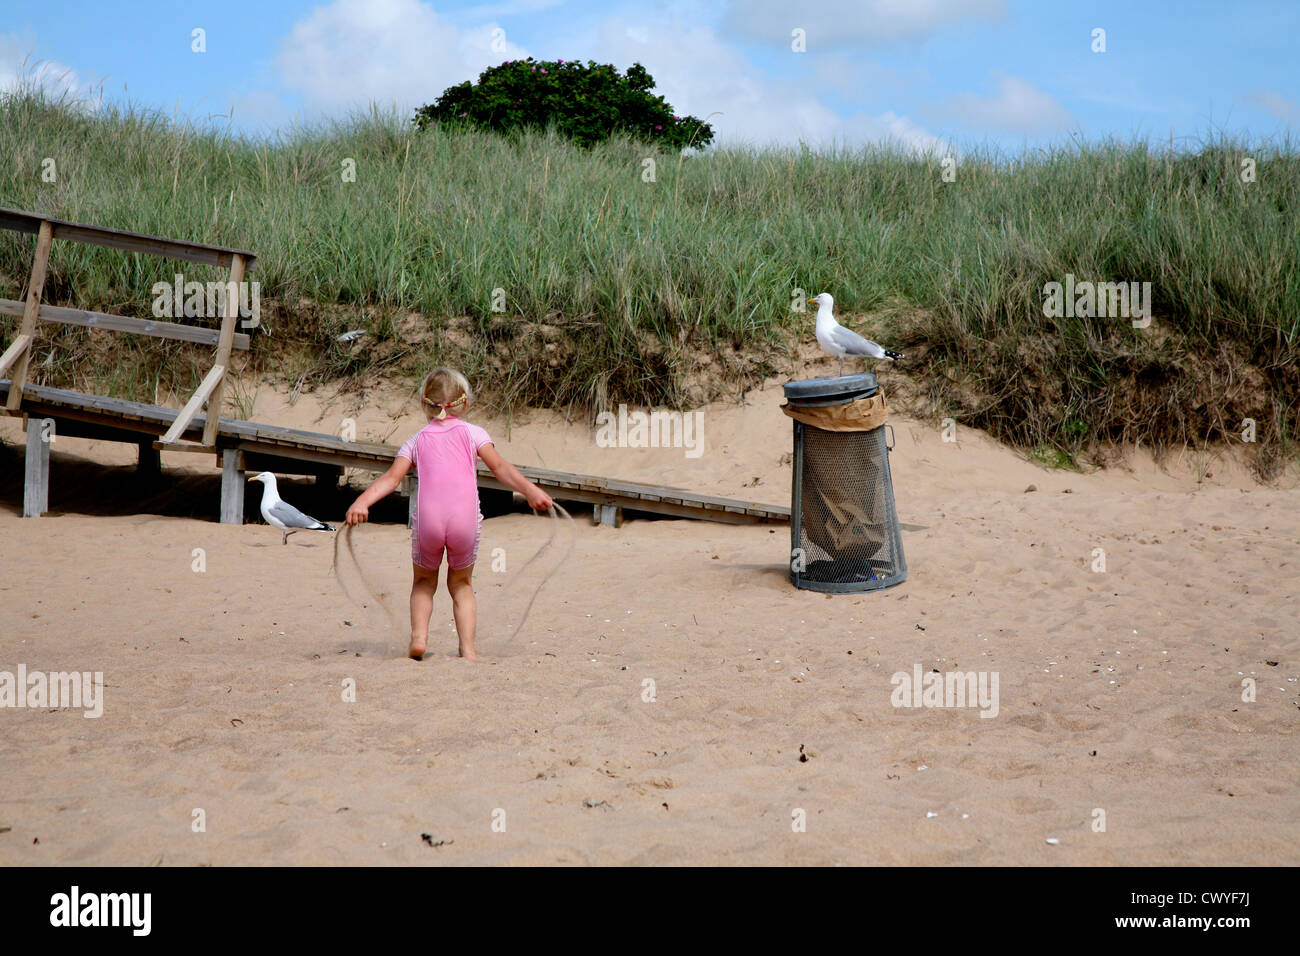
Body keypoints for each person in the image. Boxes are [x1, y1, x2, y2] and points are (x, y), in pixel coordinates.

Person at [345, 367, 553, 661]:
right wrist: (531, 491)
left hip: (428, 521)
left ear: (423, 405)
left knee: (423, 583)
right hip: (464, 521)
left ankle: (419, 639)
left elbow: (392, 479)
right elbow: (500, 468)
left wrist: (362, 502)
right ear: (465, 403)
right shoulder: (474, 433)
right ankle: (468, 648)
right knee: (461, 584)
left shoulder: (415, 440)